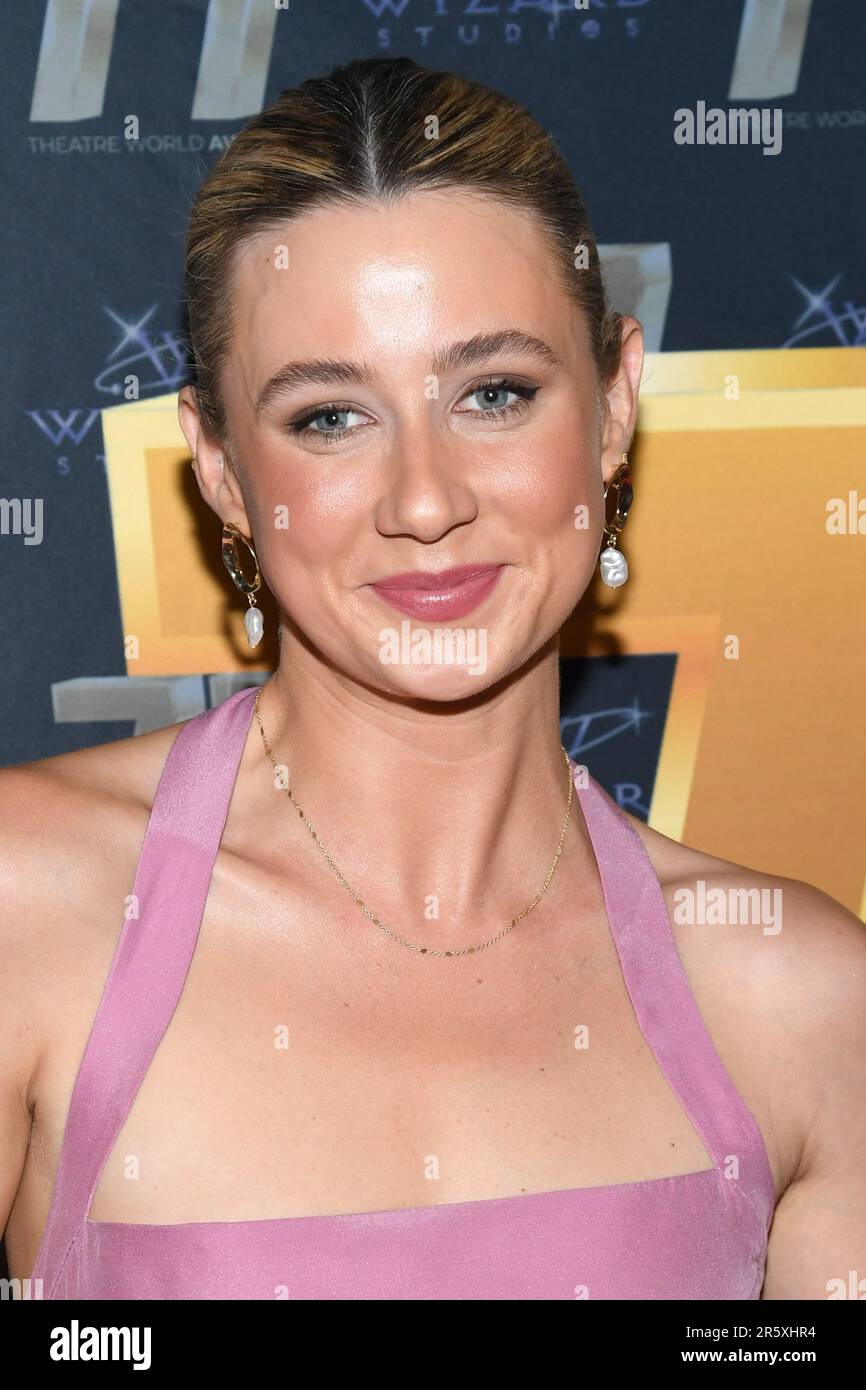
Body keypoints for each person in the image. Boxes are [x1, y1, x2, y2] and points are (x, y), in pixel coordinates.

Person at [2, 56, 864, 1302]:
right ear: (223, 469)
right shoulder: (37, 913)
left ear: (614, 406)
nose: (425, 501)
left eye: (494, 393)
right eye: (328, 417)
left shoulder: (799, 998)